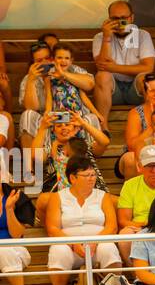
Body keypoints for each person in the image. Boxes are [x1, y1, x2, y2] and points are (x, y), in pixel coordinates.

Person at [44, 154, 121, 285]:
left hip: (97, 246)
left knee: (109, 247)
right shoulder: (58, 197)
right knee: (58, 250)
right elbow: (52, 228)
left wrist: (95, 242)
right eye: (87, 175)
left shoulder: (103, 196)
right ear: (73, 178)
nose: (92, 178)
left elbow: (112, 226)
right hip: (70, 247)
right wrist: (73, 244)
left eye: (93, 175)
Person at [31, 90, 110, 222]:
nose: (64, 128)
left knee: (116, 202)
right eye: (59, 126)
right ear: (54, 131)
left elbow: (104, 142)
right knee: (44, 199)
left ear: (75, 128)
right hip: (61, 194)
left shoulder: (85, 144)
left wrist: (84, 123)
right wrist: (43, 128)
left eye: (67, 124)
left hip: (92, 190)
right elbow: (35, 156)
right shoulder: (51, 148)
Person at [92, 0, 155, 121]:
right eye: (115, 18)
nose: (120, 22)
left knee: (145, 78)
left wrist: (113, 67)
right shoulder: (100, 37)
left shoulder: (142, 35)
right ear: (109, 20)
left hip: (135, 89)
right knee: (102, 76)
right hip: (112, 90)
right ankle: (103, 124)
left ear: (131, 18)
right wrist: (106, 38)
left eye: (123, 18)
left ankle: (153, 124)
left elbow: (148, 68)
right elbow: (101, 66)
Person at [19, 42, 95, 142]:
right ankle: (30, 157)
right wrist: (31, 81)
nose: (45, 62)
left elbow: (90, 84)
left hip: (75, 117)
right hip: (50, 121)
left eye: (47, 58)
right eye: (39, 60)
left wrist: (64, 74)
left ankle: (86, 156)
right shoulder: (29, 78)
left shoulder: (69, 67)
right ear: (33, 62)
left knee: (92, 118)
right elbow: (31, 107)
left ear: (53, 58)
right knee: (28, 115)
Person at [0, 184, 33, 285]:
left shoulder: (16, 196)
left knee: (4, 249)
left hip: (16, 249)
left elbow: (16, 234)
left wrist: (9, 209)